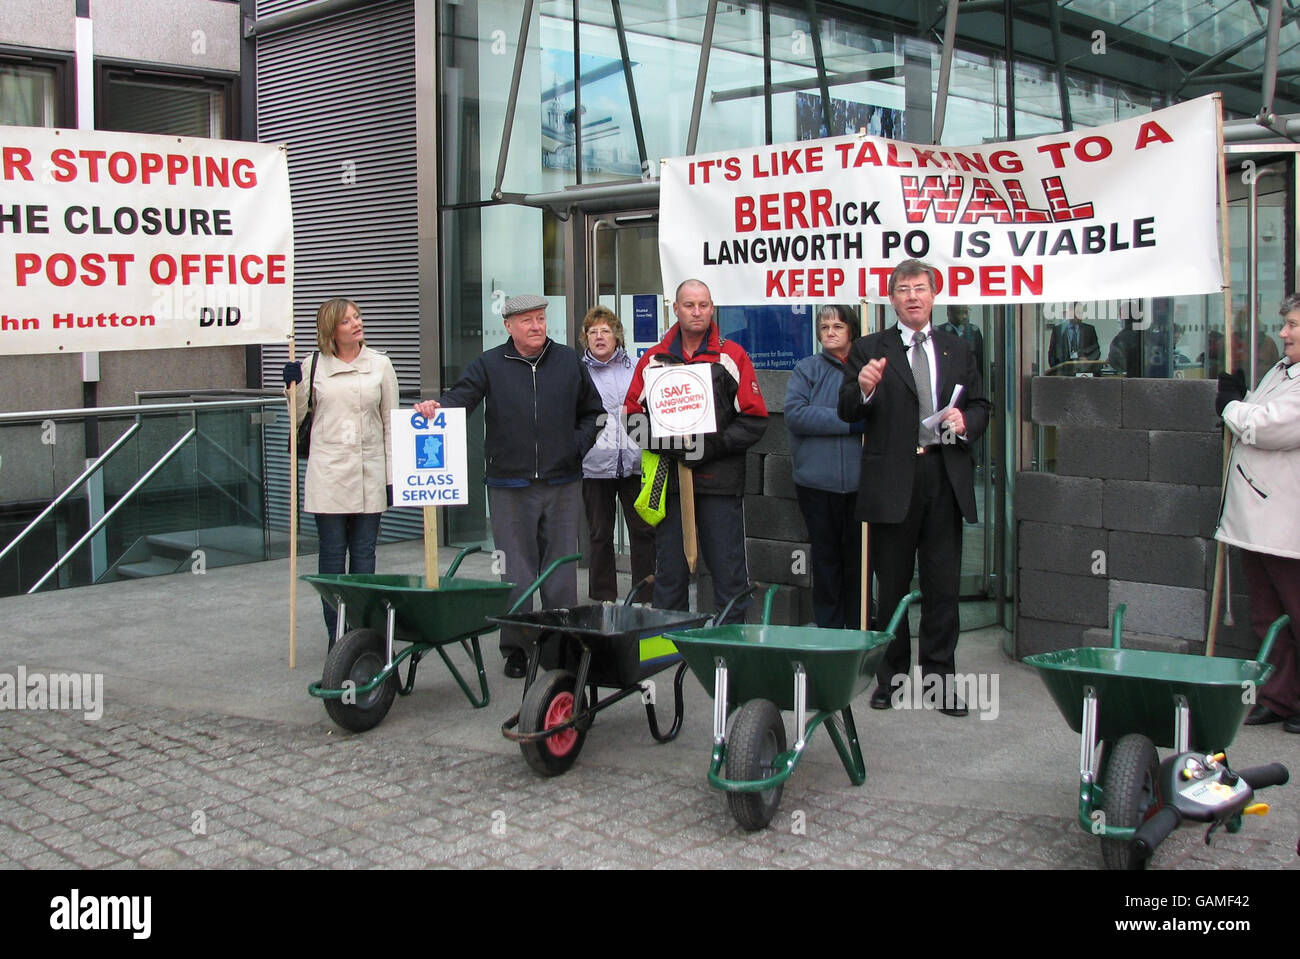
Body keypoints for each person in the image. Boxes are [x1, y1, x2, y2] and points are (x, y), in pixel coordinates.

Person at [414, 294, 603, 678]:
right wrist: (434, 408)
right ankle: (517, 648)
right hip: (508, 485)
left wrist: (575, 448)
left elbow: (594, 414)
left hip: (562, 482)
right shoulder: (489, 364)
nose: (536, 326)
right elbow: (460, 399)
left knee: (562, 571)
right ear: (509, 326)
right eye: (527, 321)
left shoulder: (568, 361)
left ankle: (559, 645)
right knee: (514, 573)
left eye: (541, 319)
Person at [837, 259, 991, 716]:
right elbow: (847, 410)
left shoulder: (957, 349)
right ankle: (891, 678)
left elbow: (983, 405)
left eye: (920, 288)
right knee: (894, 587)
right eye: (903, 289)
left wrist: (967, 422)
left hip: (945, 478)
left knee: (943, 588)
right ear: (892, 298)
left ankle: (941, 682)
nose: (913, 297)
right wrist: (863, 388)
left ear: (933, 294)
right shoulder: (868, 348)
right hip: (893, 482)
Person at [624, 279, 768, 624]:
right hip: (671, 487)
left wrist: (711, 446)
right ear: (675, 309)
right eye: (689, 305)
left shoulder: (730, 356)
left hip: (720, 483)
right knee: (670, 575)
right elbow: (632, 417)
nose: (697, 312)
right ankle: (667, 649)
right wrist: (668, 445)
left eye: (703, 305)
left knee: (729, 575)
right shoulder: (654, 360)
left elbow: (755, 420)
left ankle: (731, 650)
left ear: (712, 308)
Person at [284, 298, 398, 647]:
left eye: (358, 317)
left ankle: (362, 637)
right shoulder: (313, 365)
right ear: (331, 329)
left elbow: (390, 423)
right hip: (328, 474)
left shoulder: (380, 364)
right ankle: (338, 639)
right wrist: (292, 387)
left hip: (369, 473)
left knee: (364, 559)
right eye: (347, 320)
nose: (356, 324)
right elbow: (298, 418)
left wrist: (392, 477)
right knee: (332, 559)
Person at [1215, 295, 1300, 730]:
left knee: (1296, 610)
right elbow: (1256, 412)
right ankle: (1279, 697)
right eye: (1284, 324)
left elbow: (1268, 427)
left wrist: (1231, 406)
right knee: (1268, 615)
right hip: (1256, 518)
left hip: (1287, 521)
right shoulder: (1282, 370)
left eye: (1291, 325)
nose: (1282, 333)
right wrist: (1241, 400)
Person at [785, 305, 865, 628]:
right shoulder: (807, 369)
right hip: (816, 485)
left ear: (851, 331)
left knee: (858, 564)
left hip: (862, 486)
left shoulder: (865, 371)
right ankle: (829, 632)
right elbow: (796, 414)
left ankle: (860, 629)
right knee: (826, 561)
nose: (830, 332)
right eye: (824, 327)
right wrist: (848, 422)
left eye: (837, 326)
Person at [579, 306, 654, 602]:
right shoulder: (578, 372)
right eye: (593, 332)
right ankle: (603, 599)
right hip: (595, 465)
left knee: (644, 532)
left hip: (635, 462)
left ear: (617, 336)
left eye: (605, 331)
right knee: (599, 535)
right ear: (586, 338)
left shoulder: (637, 367)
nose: (599, 336)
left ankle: (645, 597)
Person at [1047, 303, 1101, 376]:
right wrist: (1056, 370)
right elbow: (1052, 353)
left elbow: (1096, 351)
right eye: (1077, 312)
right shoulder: (1058, 330)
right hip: (1063, 373)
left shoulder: (1089, 330)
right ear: (1070, 313)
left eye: (1081, 313)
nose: (1079, 315)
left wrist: (1088, 361)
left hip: (1084, 373)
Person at [939, 305, 985, 374]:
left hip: (971, 378)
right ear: (949, 314)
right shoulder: (940, 332)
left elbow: (980, 359)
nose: (964, 316)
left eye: (966, 312)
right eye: (959, 313)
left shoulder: (974, 331)